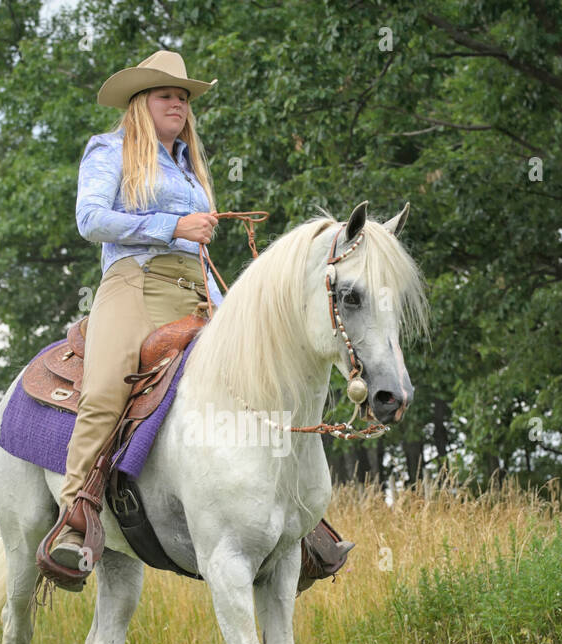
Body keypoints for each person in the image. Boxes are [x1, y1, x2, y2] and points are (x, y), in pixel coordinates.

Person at [45, 50, 353, 590]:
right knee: (105, 387)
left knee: (259, 375)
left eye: (184, 97)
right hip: (134, 284)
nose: (179, 105)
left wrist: (226, 308)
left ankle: (295, 520)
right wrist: (172, 225)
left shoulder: (190, 167)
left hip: (196, 287)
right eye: (167, 95)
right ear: (141, 102)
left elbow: (200, 250)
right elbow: (90, 220)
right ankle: (76, 518)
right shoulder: (109, 149)